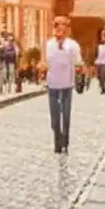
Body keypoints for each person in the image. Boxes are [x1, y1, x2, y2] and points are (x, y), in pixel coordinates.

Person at [45, 17, 80, 153]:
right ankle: (57, 141)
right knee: (54, 117)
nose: (59, 28)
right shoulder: (49, 44)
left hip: (66, 84)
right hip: (52, 84)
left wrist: (79, 70)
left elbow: (78, 62)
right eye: (56, 25)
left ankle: (65, 141)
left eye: (62, 25)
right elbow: (46, 61)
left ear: (67, 29)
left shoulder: (73, 45)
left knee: (65, 115)